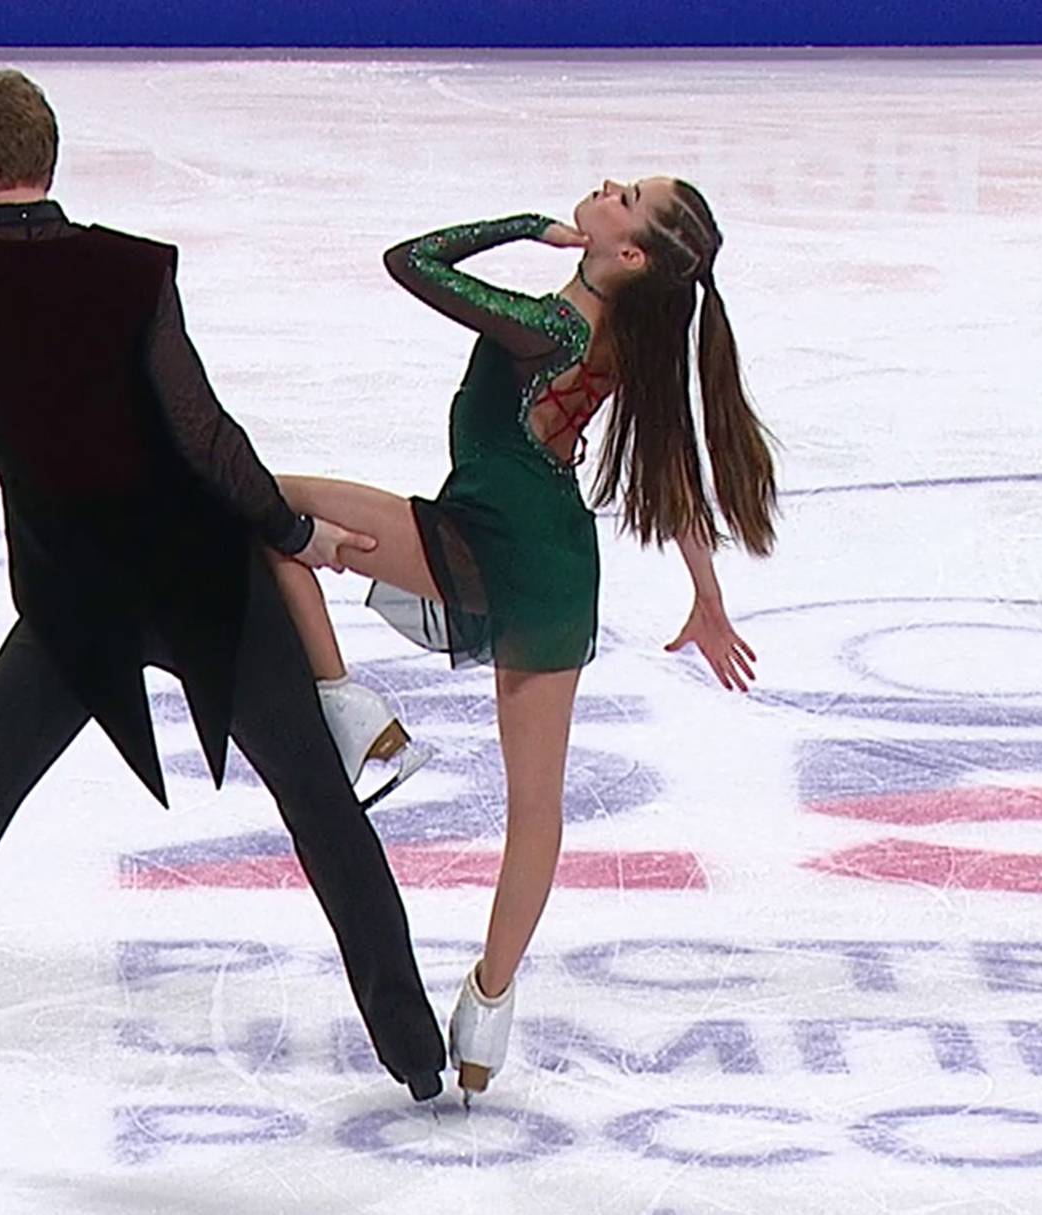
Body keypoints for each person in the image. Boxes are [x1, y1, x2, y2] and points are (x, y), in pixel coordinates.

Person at [0, 69, 446, 1138]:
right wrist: (289, 531)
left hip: (77, 612)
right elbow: (204, 431)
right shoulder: (136, 267)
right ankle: (418, 1055)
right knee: (319, 806)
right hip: (207, 582)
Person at [265, 179, 777, 1100]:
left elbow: (412, 261)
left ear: (629, 255)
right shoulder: (626, 338)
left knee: (265, 505)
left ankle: (349, 709)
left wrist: (523, 229)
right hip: (551, 566)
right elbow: (673, 477)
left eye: (626, 197)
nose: (606, 187)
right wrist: (706, 595)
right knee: (536, 808)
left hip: (486, 543)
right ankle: (487, 1011)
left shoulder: (552, 329)